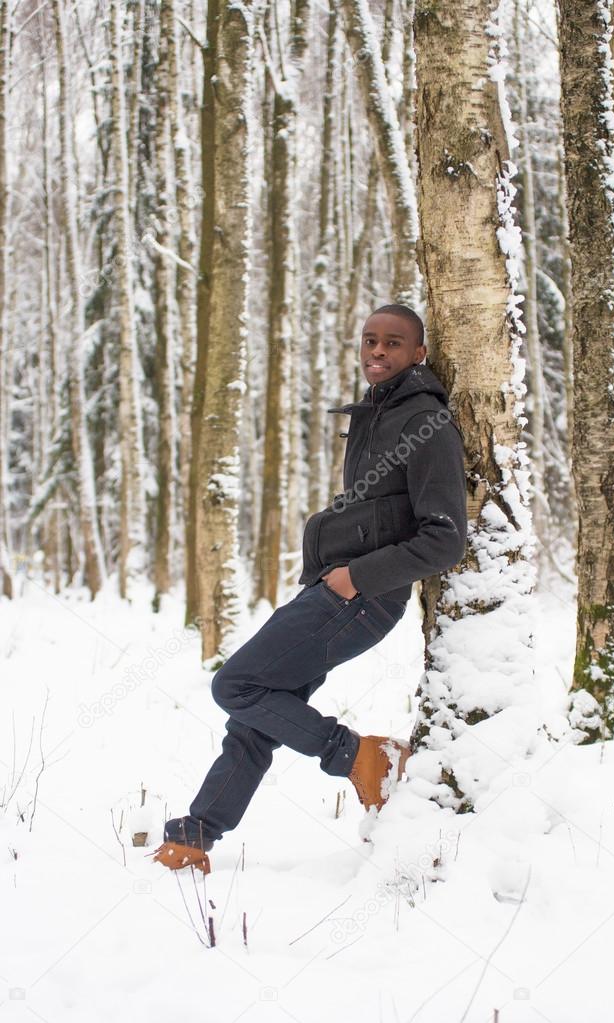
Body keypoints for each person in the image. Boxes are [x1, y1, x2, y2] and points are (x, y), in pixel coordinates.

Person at [152, 304, 467, 873]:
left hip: (361, 596)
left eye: (393, 343)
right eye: (370, 340)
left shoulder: (426, 423)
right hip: (338, 589)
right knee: (259, 712)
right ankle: (195, 837)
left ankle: (360, 757)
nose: (377, 351)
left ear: (420, 353)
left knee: (237, 685)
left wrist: (353, 578)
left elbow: (444, 541)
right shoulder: (380, 413)